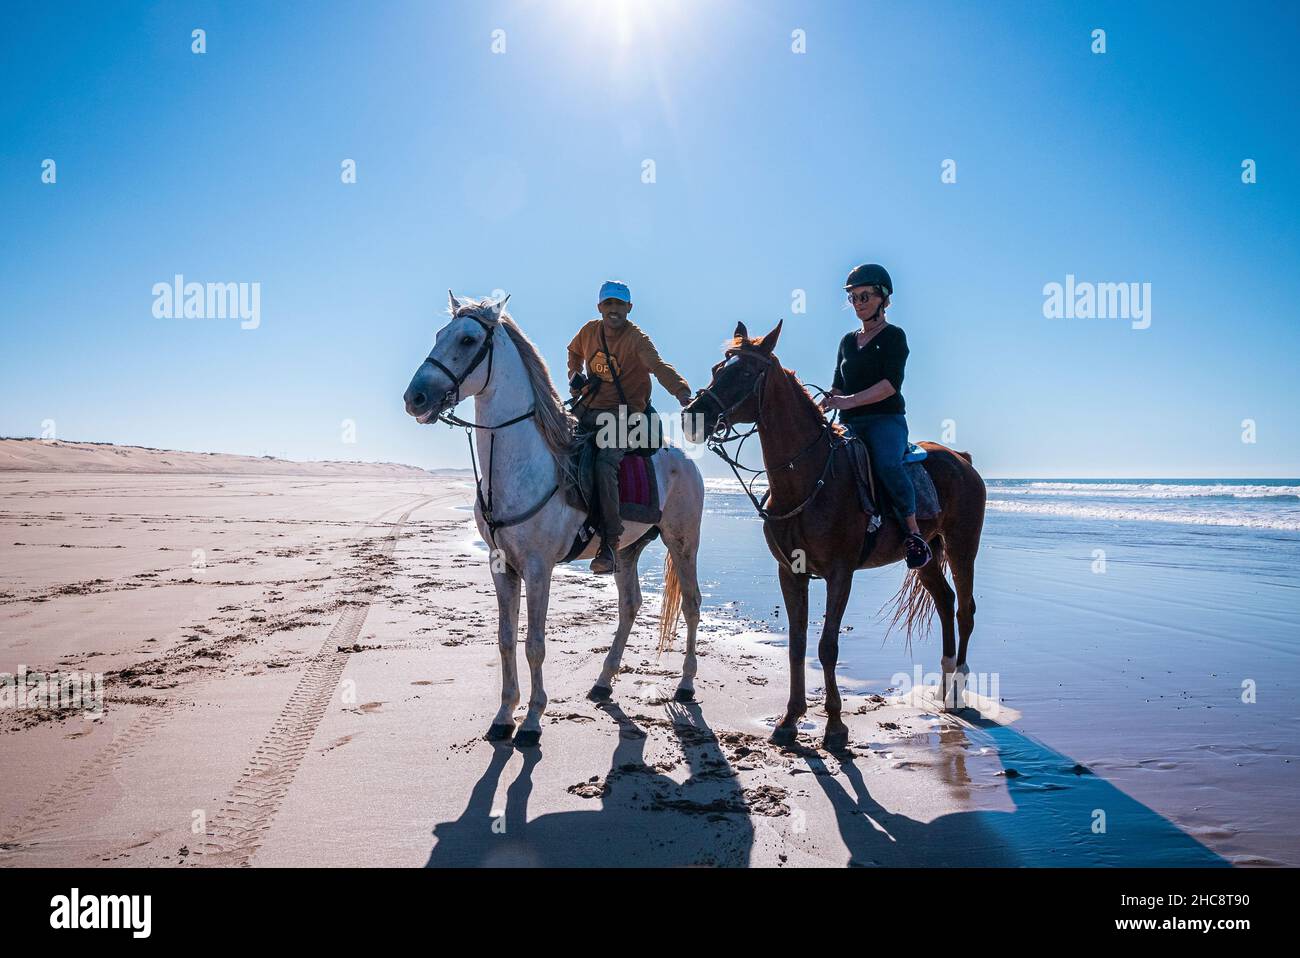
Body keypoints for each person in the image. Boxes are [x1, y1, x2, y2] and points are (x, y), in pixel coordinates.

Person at [567, 280, 693, 574]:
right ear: (600, 307)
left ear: (629, 308)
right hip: (588, 410)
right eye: (608, 304)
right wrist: (574, 375)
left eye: (620, 305)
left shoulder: (637, 339)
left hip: (626, 417)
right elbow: (573, 352)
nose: (614, 310)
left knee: (605, 462)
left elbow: (659, 367)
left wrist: (681, 391)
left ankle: (609, 543)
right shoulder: (588, 331)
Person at [818, 263, 932, 569]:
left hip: (885, 420)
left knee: (886, 463)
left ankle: (913, 533)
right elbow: (837, 385)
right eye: (853, 298)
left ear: (883, 298)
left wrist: (849, 401)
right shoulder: (846, 341)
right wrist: (827, 402)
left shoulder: (894, 336)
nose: (858, 303)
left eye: (865, 296)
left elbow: (889, 387)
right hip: (849, 423)